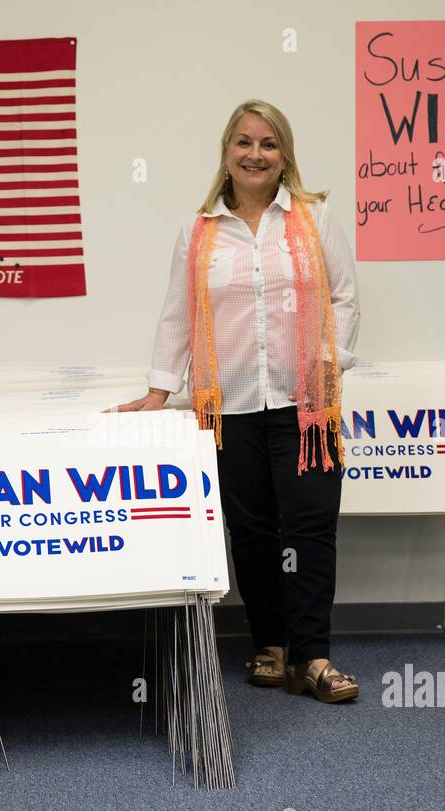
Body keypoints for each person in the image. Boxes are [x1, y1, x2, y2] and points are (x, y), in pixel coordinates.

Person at [115, 99, 361, 703]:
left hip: (307, 406)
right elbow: (179, 314)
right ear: (227, 151)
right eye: (245, 142)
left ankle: (315, 657)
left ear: (285, 157)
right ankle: (271, 647)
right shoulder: (198, 230)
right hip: (228, 407)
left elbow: (345, 302)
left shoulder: (314, 218)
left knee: (310, 528)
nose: (256, 154)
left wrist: (327, 370)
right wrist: (157, 390)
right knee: (251, 530)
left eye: (269, 144)